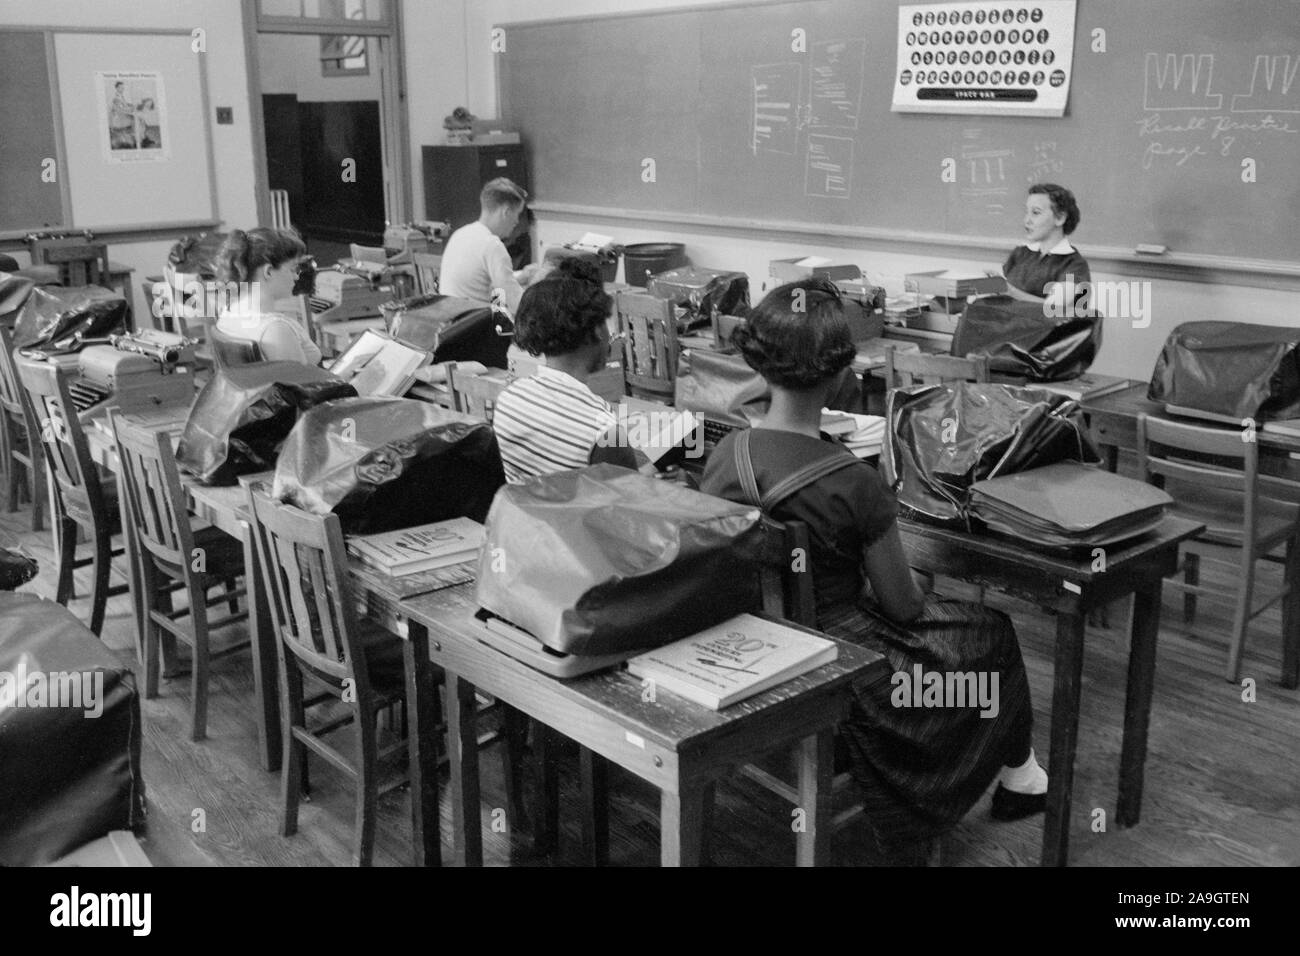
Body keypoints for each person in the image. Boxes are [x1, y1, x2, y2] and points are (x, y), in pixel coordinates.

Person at [700, 277, 1048, 860]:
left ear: (760, 366)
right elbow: (904, 608)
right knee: (992, 636)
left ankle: (1016, 774)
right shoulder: (853, 482)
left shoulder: (723, 456)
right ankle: (1012, 779)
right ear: (841, 374)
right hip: (845, 672)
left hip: (752, 647)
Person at [492, 258, 639, 483]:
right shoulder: (603, 430)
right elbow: (631, 504)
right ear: (597, 330)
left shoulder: (509, 399)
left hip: (522, 515)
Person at [214, 227, 322, 366]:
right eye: (293, 268)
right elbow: (300, 385)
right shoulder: (274, 328)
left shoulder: (227, 314)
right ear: (269, 271)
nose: (296, 276)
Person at [439, 178, 546, 314]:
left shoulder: (460, 234)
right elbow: (518, 306)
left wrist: (519, 278)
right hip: (477, 326)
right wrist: (537, 283)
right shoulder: (492, 246)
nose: (517, 221)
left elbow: (486, 286)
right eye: (517, 214)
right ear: (506, 212)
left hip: (452, 322)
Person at [1002, 183, 1090, 309]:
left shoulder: (1074, 265)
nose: (1027, 220)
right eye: (1026, 212)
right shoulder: (1020, 253)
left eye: (1036, 213)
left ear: (1060, 218)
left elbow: (1055, 308)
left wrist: (1011, 292)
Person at [108, 81, 136, 149]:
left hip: (121, 113)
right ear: (117, 88)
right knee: (133, 119)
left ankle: (134, 137)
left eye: (123, 87)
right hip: (117, 117)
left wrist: (130, 105)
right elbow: (119, 108)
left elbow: (124, 104)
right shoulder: (116, 97)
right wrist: (129, 109)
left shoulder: (121, 95)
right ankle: (131, 138)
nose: (122, 89)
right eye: (121, 87)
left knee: (135, 118)